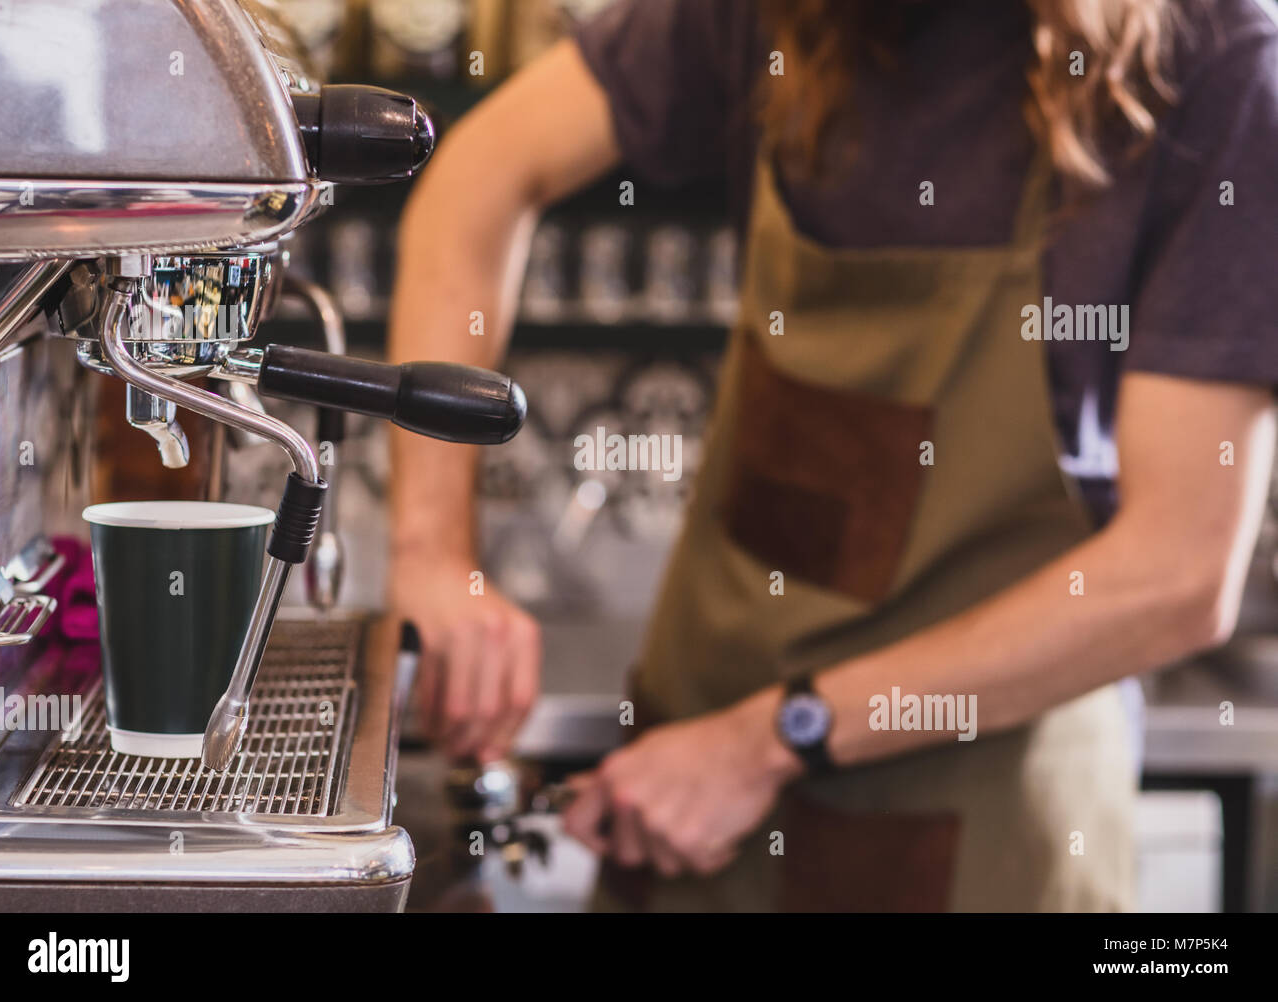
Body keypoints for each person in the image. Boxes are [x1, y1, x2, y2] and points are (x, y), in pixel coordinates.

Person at [386, 0, 1278, 911]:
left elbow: (1177, 575)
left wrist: (770, 740)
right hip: (690, 798)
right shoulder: (766, 17)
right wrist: (433, 552)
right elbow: (479, 175)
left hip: (982, 816)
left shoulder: (1215, 65)